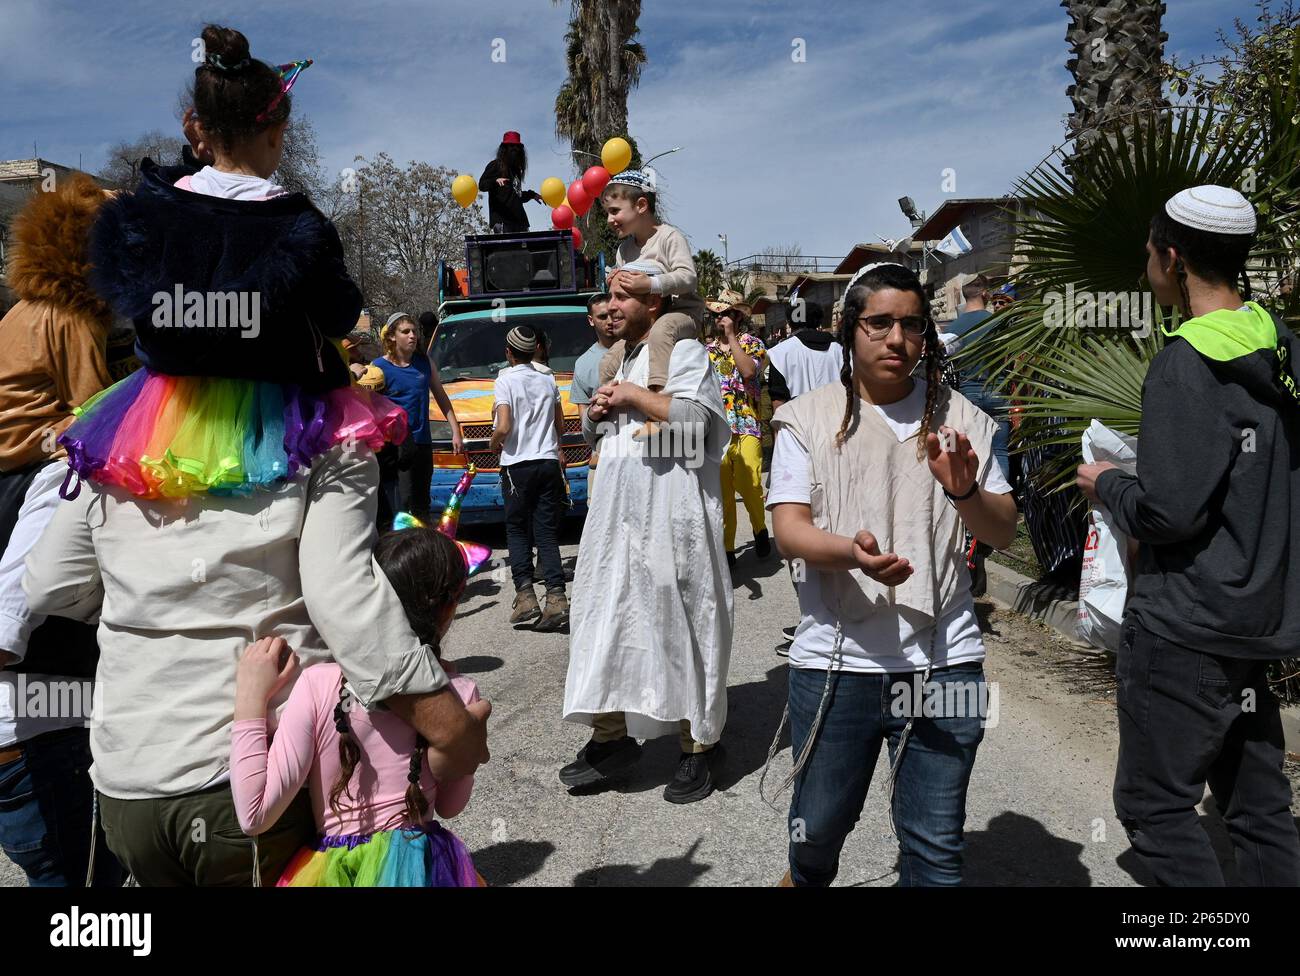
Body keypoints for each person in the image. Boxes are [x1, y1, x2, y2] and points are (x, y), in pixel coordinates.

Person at [23, 24, 490, 886]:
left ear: (195, 125)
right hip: (246, 790)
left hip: (126, 789)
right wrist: (441, 714)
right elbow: (343, 593)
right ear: (276, 132)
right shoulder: (328, 436)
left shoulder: (116, 441)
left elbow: (49, 587)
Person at [1077, 185, 1300, 886]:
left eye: (1149, 254)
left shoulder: (1186, 364)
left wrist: (1105, 482)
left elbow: (1171, 515)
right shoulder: (1280, 345)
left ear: (1172, 259)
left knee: (1154, 804)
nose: (1147, 267)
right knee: (1258, 804)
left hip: (1185, 623)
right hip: (1254, 621)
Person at [766, 263, 1016, 886]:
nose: (895, 339)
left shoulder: (965, 421)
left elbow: (1004, 529)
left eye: (910, 324)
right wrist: (853, 553)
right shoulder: (808, 419)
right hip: (836, 665)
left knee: (936, 852)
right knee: (818, 830)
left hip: (946, 658)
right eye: (878, 323)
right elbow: (788, 529)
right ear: (850, 331)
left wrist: (963, 494)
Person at [561, 268, 733, 804]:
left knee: (679, 620)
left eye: (621, 296)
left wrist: (634, 395)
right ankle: (611, 740)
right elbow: (601, 435)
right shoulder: (624, 358)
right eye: (607, 298)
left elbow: (696, 429)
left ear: (653, 303)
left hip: (670, 517)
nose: (610, 306)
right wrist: (597, 412)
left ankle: (696, 746)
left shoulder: (683, 354)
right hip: (617, 519)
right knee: (607, 618)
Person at [231, 528, 481, 886]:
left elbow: (254, 815)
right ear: (450, 605)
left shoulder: (319, 684)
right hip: (420, 868)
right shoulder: (460, 694)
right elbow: (451, 806)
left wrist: (250, 700)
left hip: (333, 871)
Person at [0, 174, 123, 887]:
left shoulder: (20, 309)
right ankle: (7, 629)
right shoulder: (72, 317)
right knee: (68, 475)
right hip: (36, 464)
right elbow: (93, 412)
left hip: (9, 460)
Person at [596, 169, 706, 431]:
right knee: (610, 356)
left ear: (641, 205)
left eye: (615, 211)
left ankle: (657, 407)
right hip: (646, 321)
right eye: (608, 213)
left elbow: (688, 277)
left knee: (661, 331)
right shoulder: (624, 250)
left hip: (682, 313)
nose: (610, 219)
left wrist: (652, 284)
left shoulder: (669, 237)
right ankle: (604, 410)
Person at [765, 298, 842, 653]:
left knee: (797, 544)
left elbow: (779, 408)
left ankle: (813, 620)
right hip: (839, 446)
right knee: (835, 530)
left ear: (792, 322)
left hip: (797, 450)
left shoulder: (780, 353)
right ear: (821, 319)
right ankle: (836, 616)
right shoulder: (843, 352)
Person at [491, 325, 569, 631]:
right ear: (534, 350)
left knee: (517, 529)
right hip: (548, 462)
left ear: (508, 353)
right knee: (546, 532)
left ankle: (525, 596)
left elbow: (505, 424)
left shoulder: (505, 380)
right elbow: (559, 423)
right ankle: (557, 597)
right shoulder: (548, 380)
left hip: (517, 466)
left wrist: (494, 442)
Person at [373, 312, 464, 527]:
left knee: (422, 500)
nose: (412, 335)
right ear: (392, 337)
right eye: (405, 332)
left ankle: (424, 550)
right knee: (401, 502)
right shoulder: (378, 368)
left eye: (414, 331)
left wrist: (455, 430)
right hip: (395, 446)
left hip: (422, 441)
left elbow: (441, 396)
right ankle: (400, 549)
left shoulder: (424, 363)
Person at [706, 291, 771, 570]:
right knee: (723, 494)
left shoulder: (753, 344)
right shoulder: (705, 352)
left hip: (746, 424)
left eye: (725, 313)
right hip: (717, 430)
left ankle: (759, 527)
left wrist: (732, 338)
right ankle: (728, 549)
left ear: (737, 316)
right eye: (717, 314)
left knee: (751, 483)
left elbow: (747, 373)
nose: (720, 318)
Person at [569, 293, 615, 495]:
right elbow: (585, 423)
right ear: (591, 320)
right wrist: (595, 413)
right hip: (603, 459)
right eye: (602, 317)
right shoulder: (583, 364)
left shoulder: (644, 349)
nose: (610, 321)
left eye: (613, 314)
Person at [478, 131, 542, 234]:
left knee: (524, 250)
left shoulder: (516, 170)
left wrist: (532, 195)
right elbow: (481, 185)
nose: (515, 149)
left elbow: (517, 196)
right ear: (505, 148)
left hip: (520, 222)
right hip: (503, 221)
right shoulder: (495, 165)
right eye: (511, 146)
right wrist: (495, 181)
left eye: (517, 147)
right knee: (506, 250)